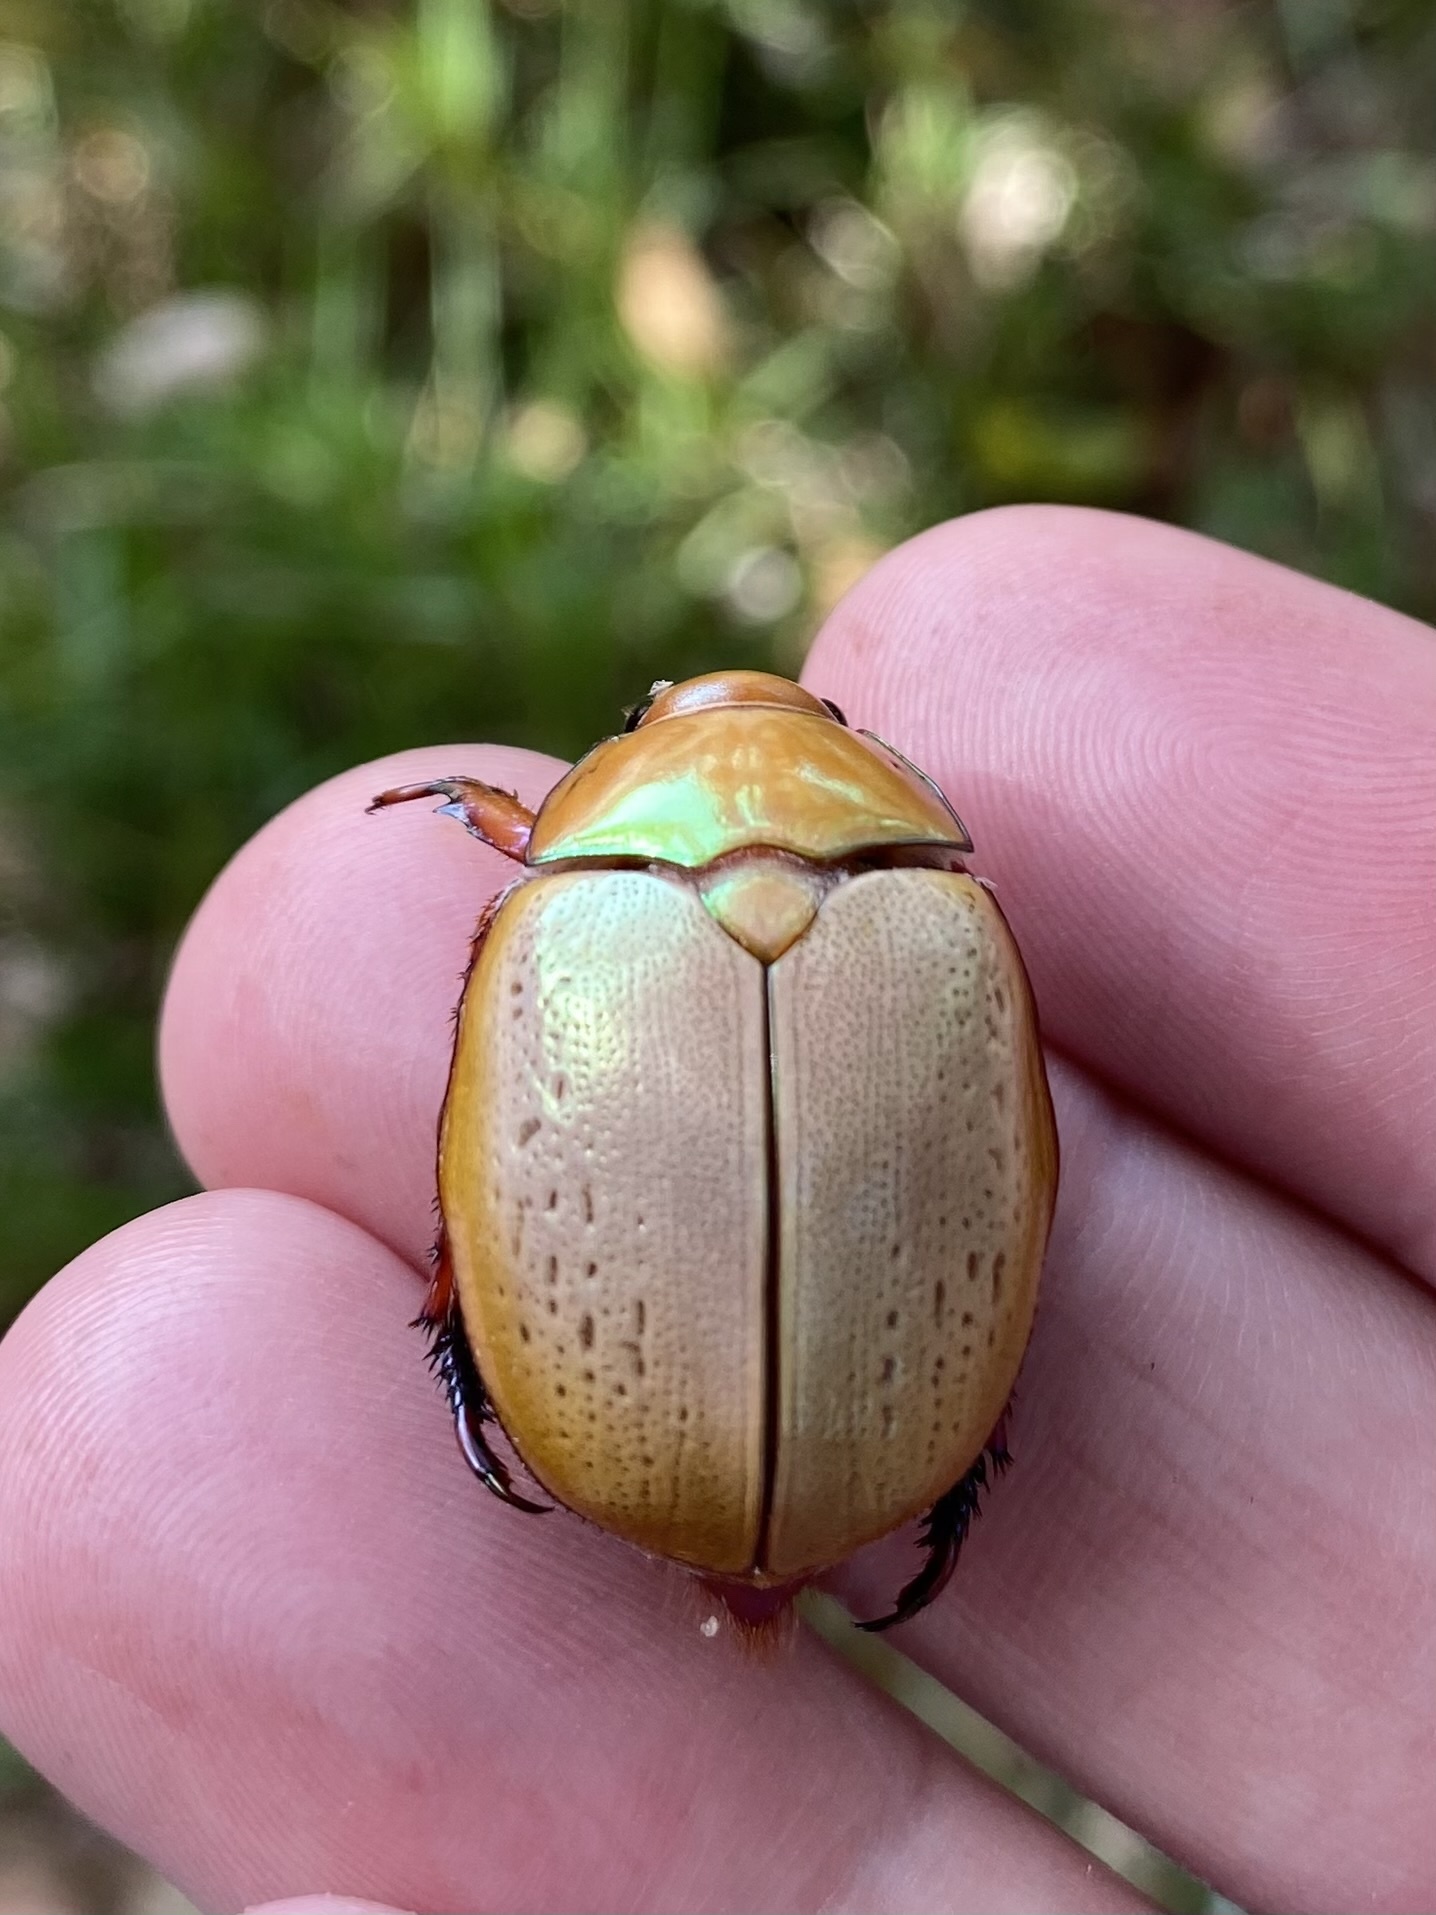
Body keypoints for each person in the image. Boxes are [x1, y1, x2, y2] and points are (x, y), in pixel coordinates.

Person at [0, 506, 1432, 1915]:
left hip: (654, 1425)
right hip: (876, 1423)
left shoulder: (555, 903)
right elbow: (1012, 1169)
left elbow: (486, 1137)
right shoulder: (950, 921)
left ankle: (472, 1322)